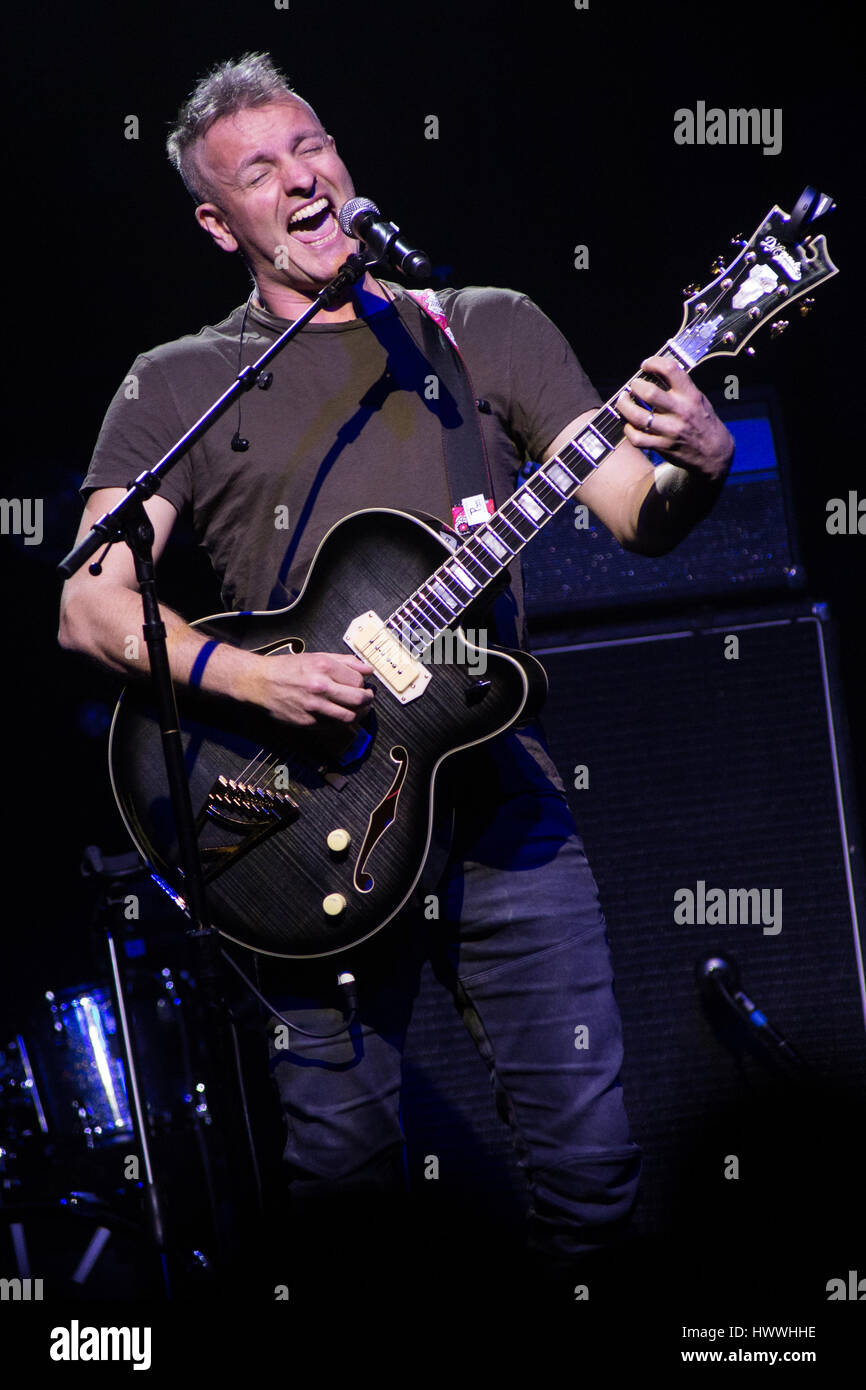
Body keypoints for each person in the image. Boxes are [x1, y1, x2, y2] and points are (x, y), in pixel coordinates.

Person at [59, 53, 734, 1300]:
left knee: (593, 1176)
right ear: (219, 224)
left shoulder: (482, 329)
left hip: (493, 801)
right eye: (257, 172)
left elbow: (635, 510)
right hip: (290, 820)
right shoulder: (180, 383)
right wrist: (253, 684)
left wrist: (697, 453)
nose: (299, 178)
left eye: (308, 146)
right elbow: (91, 605)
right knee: (350, 1191)